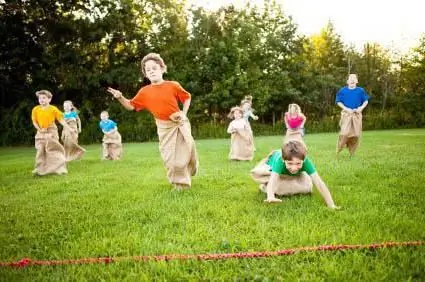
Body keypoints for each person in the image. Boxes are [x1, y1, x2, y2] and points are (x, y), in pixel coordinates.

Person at [106, 53, 198, 190]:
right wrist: (120, 97)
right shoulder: (144, 92)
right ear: (146, 74)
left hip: (179, 124)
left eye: (154, 68)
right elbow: (131, 106)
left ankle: (181, 185)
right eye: (148, 70)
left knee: (185, 154)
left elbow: (187, 97)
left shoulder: (173, 85)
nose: (152, 71)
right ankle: (179, 181)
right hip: (163, 128)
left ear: (162, 68)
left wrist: (183, 114)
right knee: (169, 159)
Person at [250, 140, 340, 209]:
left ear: (303, 160)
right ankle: (264, 186)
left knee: (307, 187)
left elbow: (319, 183)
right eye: (290, 163)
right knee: (278, 188)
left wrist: (331, 204)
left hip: (288, 164)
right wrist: (270, 196)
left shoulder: (306, 162)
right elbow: (273, 180)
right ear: (283, 160)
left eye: (298, 164)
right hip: (271, 165)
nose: (294, 168)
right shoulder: (279, 161)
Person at [31, 90, 71, 176]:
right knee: (40, 150)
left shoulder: (53, 109)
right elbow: (34, 122)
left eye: (44, 98)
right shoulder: (35, 109)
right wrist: (40, 129)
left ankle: (59, 169)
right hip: (41, 131)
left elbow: (60, 119)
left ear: (49, 99)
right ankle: (40, 169)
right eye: (40, 98)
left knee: (53, 150)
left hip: (51, 130)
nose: (41, 100)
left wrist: (68, 128)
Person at [335, 74, 369, 157]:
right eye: (350, 78)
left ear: (357, 81)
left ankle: (352, 153)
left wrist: (361, 108)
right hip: (346, 114)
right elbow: (338, 101)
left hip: (357, 114)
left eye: (354, 78)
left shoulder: (360, 90)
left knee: (356, 134)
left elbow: (366, 101)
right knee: (344, 133)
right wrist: (346, 109)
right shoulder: (343, 90)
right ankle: (338, 151)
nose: (352, 80)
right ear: (347, 81)